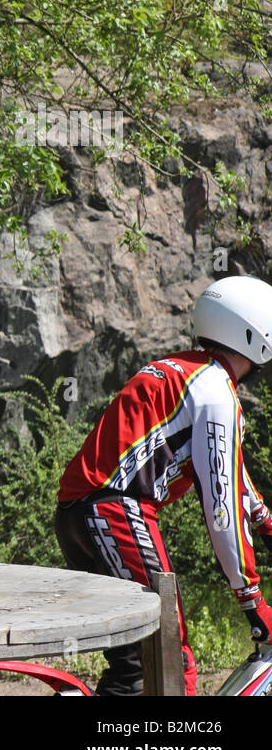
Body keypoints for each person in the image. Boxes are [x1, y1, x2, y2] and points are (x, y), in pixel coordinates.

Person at [55, 274, 272, 695]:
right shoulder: (216, 391)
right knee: (169, 655)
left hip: (79, 516)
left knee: (135, 666)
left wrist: (265, 521)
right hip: (113, 511)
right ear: (254, 331)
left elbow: (232, 473)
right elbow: (222, 508)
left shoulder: (187, 370)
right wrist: (252, 600)